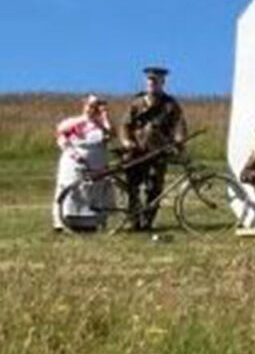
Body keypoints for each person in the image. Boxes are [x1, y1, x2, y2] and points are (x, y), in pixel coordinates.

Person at [122, 65, 188, 231]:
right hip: (137, 151)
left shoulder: (170, 104)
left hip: (159, 151)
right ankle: (133, 221)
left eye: (155, 81)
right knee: (133, 186)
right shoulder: (136, 103)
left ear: (162, 83)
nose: (152, 83)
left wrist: (179, 141)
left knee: (155, 188)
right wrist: (126, 141)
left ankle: (147, 221)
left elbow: (180, 124)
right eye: (149, 80)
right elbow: (125, 125)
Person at [53, 95, 114, 232]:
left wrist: (105, 117)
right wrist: (73, 154)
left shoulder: (101, 125)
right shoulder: (72, 122)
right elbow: (61, 137)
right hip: (74, 161)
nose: (91, 109)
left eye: (95, 106)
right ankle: (64, 222)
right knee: (71, 190)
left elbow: (110, 134)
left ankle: (90, 223)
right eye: (89, 105)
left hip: (96, 160)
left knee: (94, 190)